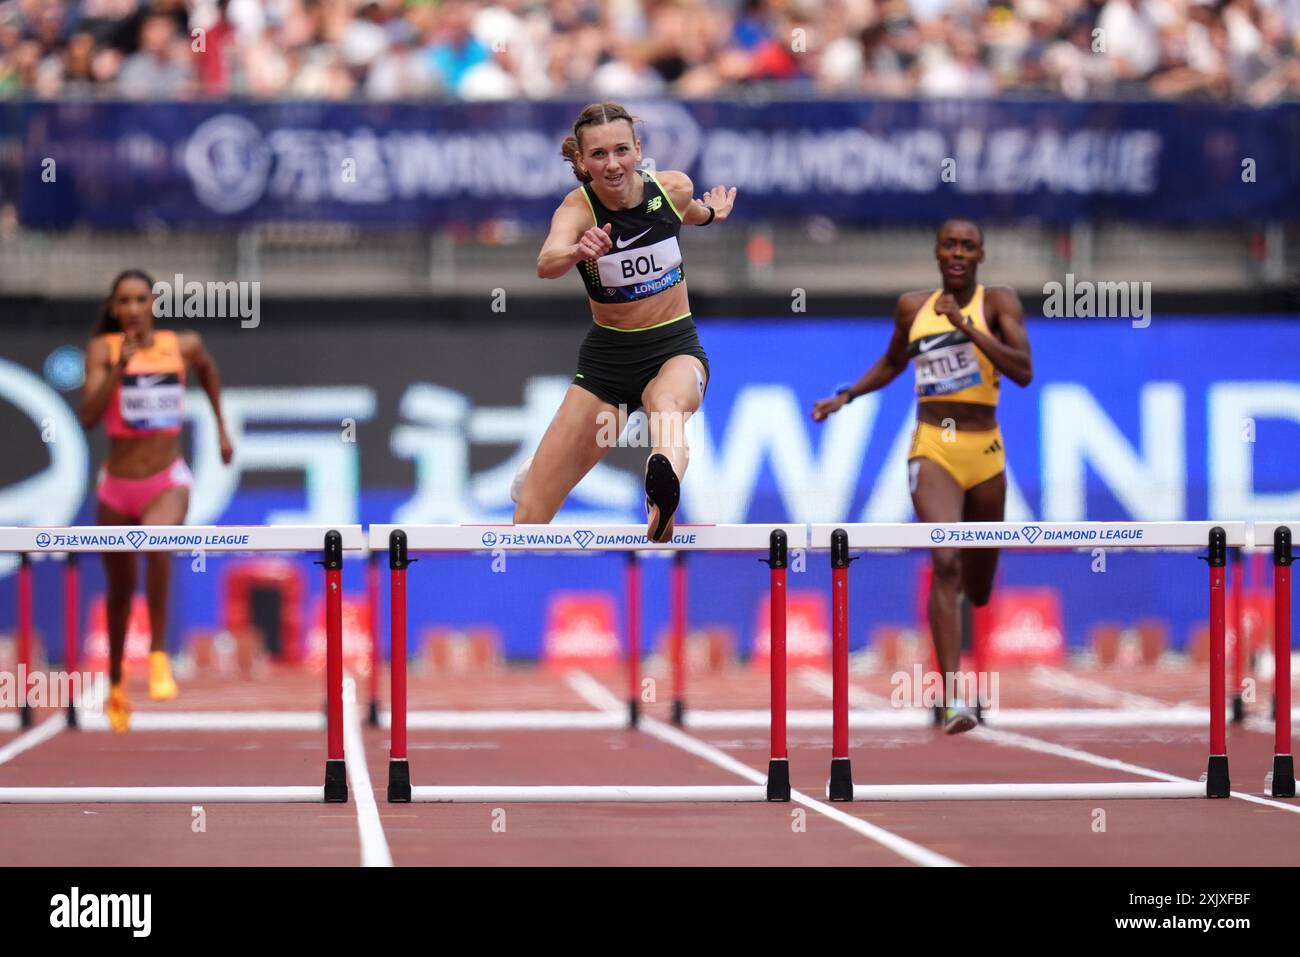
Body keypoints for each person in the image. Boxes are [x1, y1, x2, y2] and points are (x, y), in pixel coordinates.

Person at [812, 219, 1033, 734]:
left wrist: (968, 326)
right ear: (937, 253)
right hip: (933, 447)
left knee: (977, 586)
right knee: (946, 558)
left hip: (987, 453)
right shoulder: (912, 307)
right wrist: (847, 395)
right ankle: (953, 697)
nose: (958, 253)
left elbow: (1023, 371)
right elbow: (892, 363)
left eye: (968, 246)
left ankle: (967, 674)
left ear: (981, 254)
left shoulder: (998, 303)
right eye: (949, 245)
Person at [514, 101, 736, 542]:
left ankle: (661, 503)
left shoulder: (671, 187)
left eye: (621, 150)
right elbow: (546, 263)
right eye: (598, 155)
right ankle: (542, 477)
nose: (612, 164)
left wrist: (713, 214)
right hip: (607, 366)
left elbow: (686, 212)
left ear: (638, 149)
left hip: (674, 348)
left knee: (668, 409)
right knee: (528, 519)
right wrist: (579, 251)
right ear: (581, 161)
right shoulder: (578, 211)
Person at [80, 269, 233, 732]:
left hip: (166, 480)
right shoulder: (102, 352)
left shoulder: (180, 345)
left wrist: (222, 426)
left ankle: (160, 651)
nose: (131, 309)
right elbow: (87, 415)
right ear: (113, 309)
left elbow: (207, 368)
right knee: (121, 591)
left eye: (140, 300)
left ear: (153, 305)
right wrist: (118, 371)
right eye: (123, 301)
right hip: (116, 487)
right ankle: (118, 683)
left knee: (158, 540)